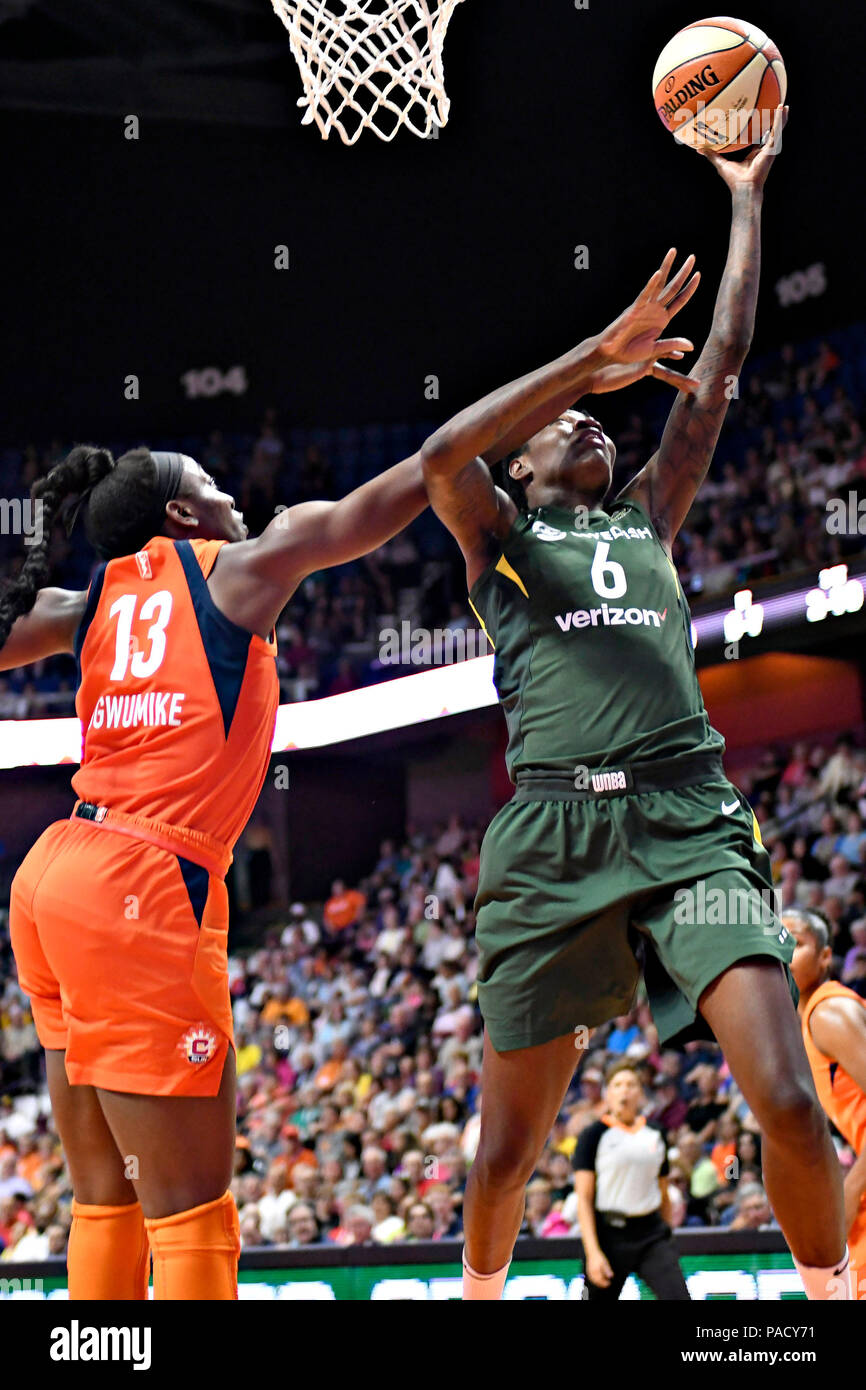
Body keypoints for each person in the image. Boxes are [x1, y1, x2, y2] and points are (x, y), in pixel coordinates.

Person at [422, 107, 850, 1303]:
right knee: (504, 1147)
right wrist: (585, 358)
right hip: (551, 837)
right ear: (525, 466)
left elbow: (715, 373)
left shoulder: (645, 514)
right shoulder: (497, 534)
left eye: (598, 413)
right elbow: (439, 462)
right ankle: (480, 1294)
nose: (591, 422)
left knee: (779, 1090)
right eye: (569, 423)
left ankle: (825, 1303)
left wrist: (748, 197)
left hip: (685, 822)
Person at [0, 440, 429, 1298]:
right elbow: (421, 472)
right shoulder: (240, 571)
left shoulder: (84, 605)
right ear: (182, 516)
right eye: (211, 485)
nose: (233, 496)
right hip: (141, 883)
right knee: (193, 1218)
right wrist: (583, 365)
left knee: (104, 1202)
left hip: (54, 876)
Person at [786, 907, 866, 1299]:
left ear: (824, 957)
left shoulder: (829, 1012)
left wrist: (850, 1192)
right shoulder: (803, 1021)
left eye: (796, 943)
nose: (782, 952)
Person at [574, 1063, 688, 1301]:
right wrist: (593, 1253)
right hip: (608, 1234)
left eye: (630, 1085)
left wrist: (668, 1237)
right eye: (617, 1085)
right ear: (607, 1094)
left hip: (651, 1234)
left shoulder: (657, 1133)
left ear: (640, 1093)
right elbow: (583, 1199)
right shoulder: (592, 1135)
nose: (624, 1091)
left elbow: (664, 1192)